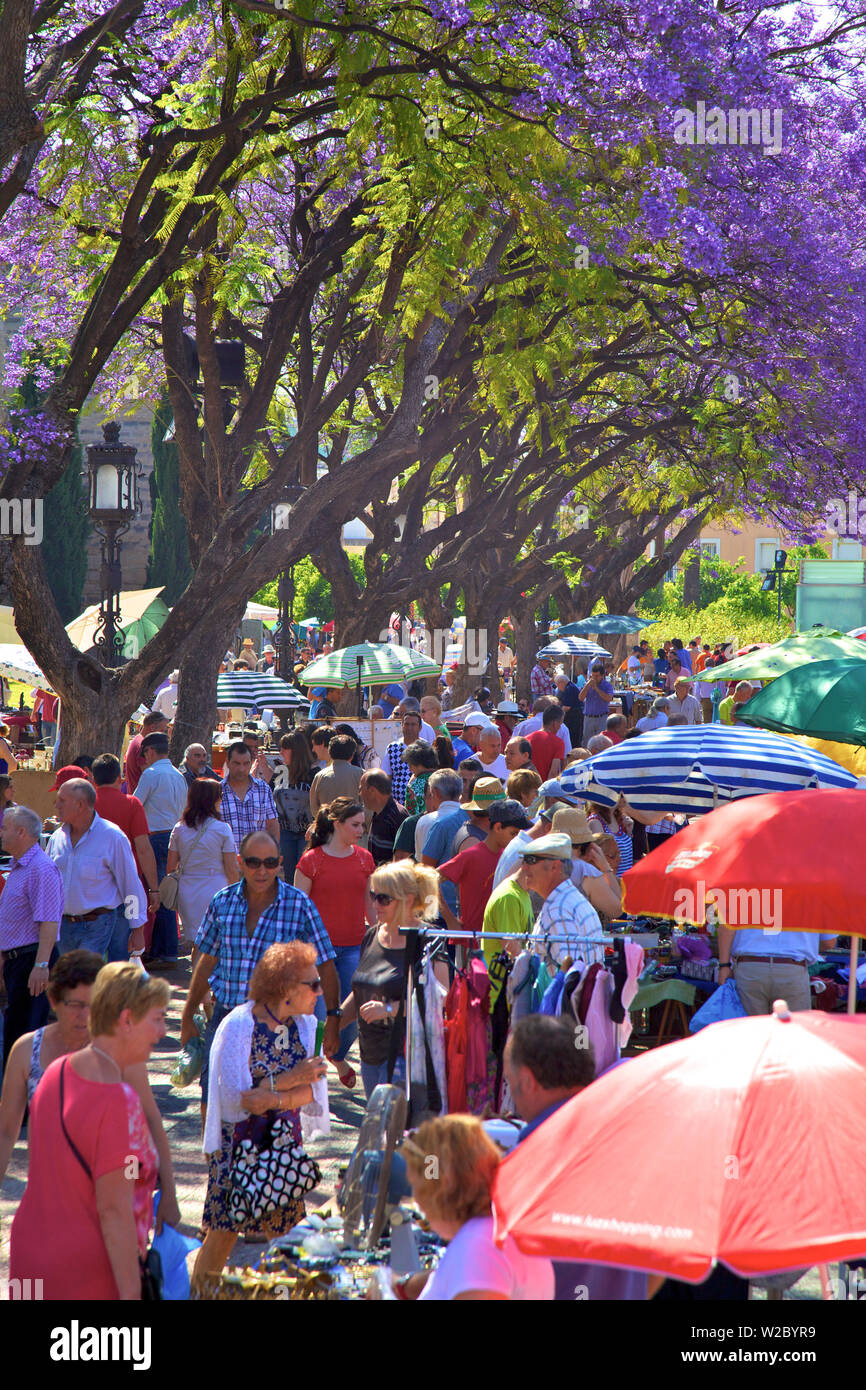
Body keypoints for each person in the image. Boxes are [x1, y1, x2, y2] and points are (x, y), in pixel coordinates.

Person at [9, 962, 169, 1300]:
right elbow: (114, 1209)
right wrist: (131, 1293)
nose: (162, 1031)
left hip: (30, 1257)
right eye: (156, 1018)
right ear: (126, 1020)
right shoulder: (118, 1100)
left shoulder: (56, 1072)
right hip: (86, 1270)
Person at [181, 830, 340, 1117]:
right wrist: (188, 1013)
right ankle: (217, 1160)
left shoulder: (298, 904)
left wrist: (332, 1017)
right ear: (240, 862)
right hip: (226, 1017)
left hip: (277, 1025)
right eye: (254, 862)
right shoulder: (222, 901)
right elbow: (206, 959)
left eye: (269, 863)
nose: (262, 870)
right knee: (213, 1098)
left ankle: (262, 1159)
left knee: (271, 1103)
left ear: (280, 863)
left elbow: (326, 963)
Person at [194, 941, 329, 1280]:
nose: (319, 990)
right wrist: (291, 1080)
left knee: (290, 1242)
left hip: (282, 1152)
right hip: (238, 1150)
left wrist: (271, 1095)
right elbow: (237, 1098)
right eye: (312, 984)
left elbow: (310, 1093)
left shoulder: (307, 1026)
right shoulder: (238, 1026)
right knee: (222, 1237)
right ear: (285, 989)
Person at [503, 1016, 649, 1300]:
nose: (512, 1099)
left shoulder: (529, 1162)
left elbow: (493, 1275)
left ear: (528, 1081)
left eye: (509, 1082)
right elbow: (661, 1261)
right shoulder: (630, 1142)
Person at [396, 1115, 554, 1300]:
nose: (418, 1201)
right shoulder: (490, 1232)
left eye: (418, 1186)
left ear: (441, 1188)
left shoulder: (480, 1243)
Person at [341, 861, 450, 1099]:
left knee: (389, 1128)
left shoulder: (429, 942)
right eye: (373, 895)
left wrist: (389, 1009)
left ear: (408, 900)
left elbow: (439, 1000)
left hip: (407, 1056)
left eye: (383, 898)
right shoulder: (372, 935)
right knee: (379, 1128)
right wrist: (334, 1023)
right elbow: (361, 990)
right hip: (370, 1054)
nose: (374, 904)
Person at [294, 798, 373, 1089]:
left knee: (351, 1015)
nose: (361, 830)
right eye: (355, 824)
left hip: (354, 946)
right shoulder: (311, 860)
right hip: (317, 952)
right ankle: (315, 1077)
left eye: (362, 825)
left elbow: (370, 905)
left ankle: (336, 1056)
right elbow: (297, 911)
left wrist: (378, 938)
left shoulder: (365, 858)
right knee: (317, 1018)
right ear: (337, 824)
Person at [47, 778, 147, 960]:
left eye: (62, 800)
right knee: (70, 982)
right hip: (62, 927)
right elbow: (47, 882)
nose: (56, 805)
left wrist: (137, 928)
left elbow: (130, 884)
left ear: (80, 805)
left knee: (85, 980)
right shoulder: (56, 838)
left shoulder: (112, 836)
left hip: (97, 925)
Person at [0, 805, 65, 1070]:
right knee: (16, 1034)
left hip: (31, 962)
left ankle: (27, 1105)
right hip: (18, 962)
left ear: (21, 832)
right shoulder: (20, 866)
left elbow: (49, 920)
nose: (1, 833)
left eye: (4, 828)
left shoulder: (41, 868)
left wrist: (41, 966)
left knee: (26, 1038)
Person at [91, 754, 162, 962]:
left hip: (92, 886)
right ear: (120, 779)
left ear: (94, 780)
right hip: (127, 886)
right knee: (122, 945)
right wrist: (153, 888)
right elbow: (144, 849)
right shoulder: (132, 804)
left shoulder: (85, 804)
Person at [133, 732, 189, 967]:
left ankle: (163, 951)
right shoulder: (178, 775)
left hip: (156, 838)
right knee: (168, 893)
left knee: (157, 894)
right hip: (175, 836)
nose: (145, 758)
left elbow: (135, 804)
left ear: (151, 751)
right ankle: (164, 949)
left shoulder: (151, 774)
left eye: (145, 753)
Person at [437, 800, 531, 936]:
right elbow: (430, 879)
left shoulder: (507, 857)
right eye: (513, 833)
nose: (516, 839)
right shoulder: (471, 855)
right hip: (470, 940)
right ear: (498, 827)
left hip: (498, 938)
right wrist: (450, 920)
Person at [166, 779, 239, 950]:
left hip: (187, 888)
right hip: (217, 887)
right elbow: (231, 868)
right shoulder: (222, 829)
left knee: (195, 943)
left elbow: (170, 866)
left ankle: (197, 975)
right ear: (213, 800)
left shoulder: (179, 828)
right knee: (216, 942)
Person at [517, 833, 605, 964]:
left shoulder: (558, 912)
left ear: (555, 866)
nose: (523, 867)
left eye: (531, 860)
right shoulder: (567, 901)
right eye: (524, 860)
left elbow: (570, 977)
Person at [716, 922, 837, 1016]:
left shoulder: (741, 890)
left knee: (751, 1035)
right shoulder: (814, 893)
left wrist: (724, 966)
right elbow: (829, 942)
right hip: (792, 969)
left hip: (750, 968)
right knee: (791, 1034)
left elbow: (726, 928)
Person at [549, 808, 623, 919]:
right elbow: (617, 911)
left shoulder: (539, 862)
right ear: (588, 844)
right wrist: (606, 868)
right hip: (575, 934)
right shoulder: (585, 872)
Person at [270, 729, 316, 881]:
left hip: (307, 834)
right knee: (289, 876)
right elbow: (271, 795)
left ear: (296, 751)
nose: (281, 752)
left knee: (305, 874)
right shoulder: (280, 771)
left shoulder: (314, 773)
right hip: (285, 833)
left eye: (285, 748)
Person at [219, 739, 280, 851]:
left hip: (257, 860)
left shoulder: (263, 789)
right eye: (237, 763)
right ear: (228, 763)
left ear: (251, 762)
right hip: (227, 862)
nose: (241, 769)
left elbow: (272, 825)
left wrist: (272, 854)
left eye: (246, 763)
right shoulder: (216, 792)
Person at [417, 768, 467, 867]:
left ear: (436, 793)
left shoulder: (425, 821)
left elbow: (424, 864)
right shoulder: (471, 818)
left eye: (431, 794)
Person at [360, 770, 408, 866]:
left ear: (372, 790)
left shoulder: (397, 816)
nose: (360, 794)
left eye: (361, 789)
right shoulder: (378, 813)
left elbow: (403, 859)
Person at [309, 733, 364, 817]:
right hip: (355, 826)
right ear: (352, 755)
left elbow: (314, 807)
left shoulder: (319, 776)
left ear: (330, 752)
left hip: (328, 826)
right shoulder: (362, 774)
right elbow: (368, 806)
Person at [123, 710, 169, 795]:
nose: (164, 734)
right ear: (152, 728)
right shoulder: (143, 746)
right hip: (142, 800)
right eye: (162, 730)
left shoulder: (138, 739)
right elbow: (150, 777)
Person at [384, 711, 424, 805]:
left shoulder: (426, 748)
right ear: (402, 726)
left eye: (413, 724)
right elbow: (386, 776)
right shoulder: (392, 748)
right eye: (406, 724)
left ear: (420, 727)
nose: (409, 728)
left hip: (420, 804)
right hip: (397, 804)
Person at [527, 705, 566, 780]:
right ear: (555, 724)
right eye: (560, 724)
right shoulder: (558, 743)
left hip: (528, 786)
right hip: (545, 787)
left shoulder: (526, 739)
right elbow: (553, 773)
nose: (560, 727)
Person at [579, 662, 614, 742]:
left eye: (597, 676)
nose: (594, 678)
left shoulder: (607, 686)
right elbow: (581, 698)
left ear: (602, 676)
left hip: (601, 718)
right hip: (588, 718)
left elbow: (608, 698)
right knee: (587, 742)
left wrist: (597, 689)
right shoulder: (587, 684)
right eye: (593, 675)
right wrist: (587, 686)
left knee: (601, 742)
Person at [403, 739, 439, 816]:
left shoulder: (414, 786)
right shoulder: (445, 779)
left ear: (418, 763)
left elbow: (411, 817)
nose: (410, 769)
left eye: (410, 764)